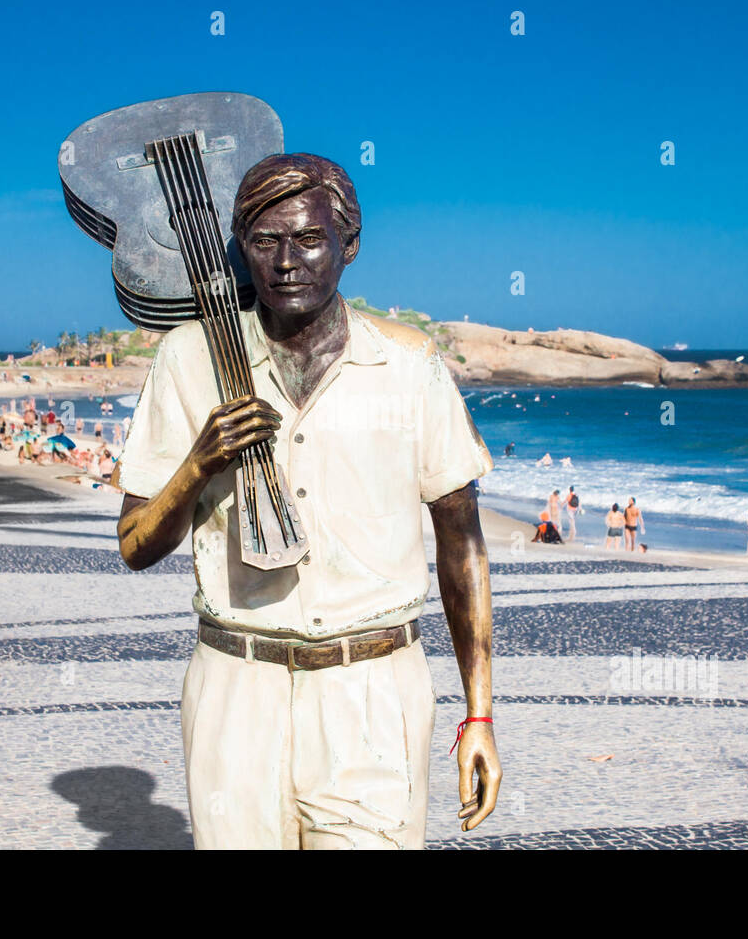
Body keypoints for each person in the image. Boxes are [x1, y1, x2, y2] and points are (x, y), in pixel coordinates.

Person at [115, 152, 499, 849]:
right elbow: (135, 544)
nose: (287, 261)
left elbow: (461, 538)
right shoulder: (189, 360)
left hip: (373, 692)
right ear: (240, 250)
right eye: (264, 242)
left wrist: (480, 716)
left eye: (310, 239)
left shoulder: (409, 366)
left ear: (349, 244)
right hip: (237, 688)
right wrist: (198, 465)